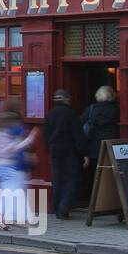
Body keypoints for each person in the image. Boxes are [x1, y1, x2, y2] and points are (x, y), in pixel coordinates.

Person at [0, 108, 39, 230]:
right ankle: (12, 219)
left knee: (7, 194)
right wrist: (30, 138)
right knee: (13, 193)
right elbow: (11, 149)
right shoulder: (2, 135)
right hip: (6, 167)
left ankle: (3, 219)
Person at [44, 89, 87, 219]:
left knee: (57, 179)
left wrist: (49, 148)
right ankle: (64, 207)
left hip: (54, 151)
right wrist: (84, 153)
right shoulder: (71, 114)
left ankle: (56, 207)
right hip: (69, 152)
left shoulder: (50, 114)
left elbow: (45, 134)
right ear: (67, 99)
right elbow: (78, 135)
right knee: (72, 179)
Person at [80, 85, 120, 205]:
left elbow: (81, 124)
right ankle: (112, 200)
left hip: (94, 147)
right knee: (112, 175)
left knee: (96, 175)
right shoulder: (116, 110)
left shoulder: (91, 109)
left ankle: (96, 201)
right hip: (112, 146)